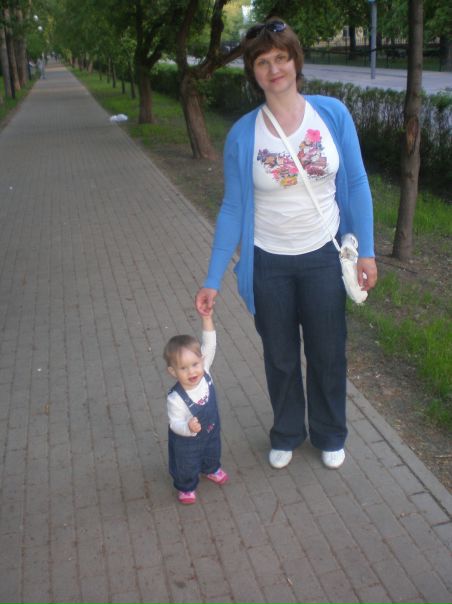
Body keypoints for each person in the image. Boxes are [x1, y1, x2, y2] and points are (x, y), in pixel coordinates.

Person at [195, 18, 377, 471]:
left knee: (327, 353)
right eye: (262, 62)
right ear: (253, 73)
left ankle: (330, 434)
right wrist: (213, 278)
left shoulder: (331, 114)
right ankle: (288, 432)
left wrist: (367, 251)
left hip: (323, 257)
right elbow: (232, 208)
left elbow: (356, 183)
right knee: (279, 357)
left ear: (295, 61)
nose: (274, 68)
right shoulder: (244, 134)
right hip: (269, 263)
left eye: (281, 57)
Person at [163, 310, 229, 504]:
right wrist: (187, 428)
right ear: (172, 372)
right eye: (183, 368)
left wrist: (207, 319)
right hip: (187, 440)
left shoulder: (205, 371)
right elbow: (174, 423)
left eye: (194, 364)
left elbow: (210, 344)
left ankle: (211, 468)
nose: (191, 371)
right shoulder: (176, 398)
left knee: (213, 450)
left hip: (211, 429)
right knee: (186, 463)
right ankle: (186, 486)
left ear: (202, 361)